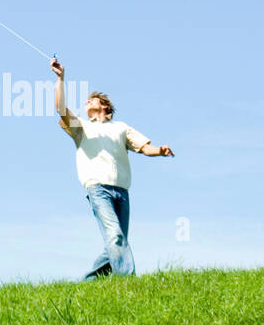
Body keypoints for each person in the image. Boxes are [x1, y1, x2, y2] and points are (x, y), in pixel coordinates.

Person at [51, 58, 173, 279]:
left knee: (116, 243)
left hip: (122, 190)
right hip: (97, 189)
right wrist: (60, 78)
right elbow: (60, 109)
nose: (87, 102)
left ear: (104, 106)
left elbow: (144, 148)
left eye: (92, 99)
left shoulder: (121, 127)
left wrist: (160, 151)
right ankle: (129, 282)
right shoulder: (82, 128)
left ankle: (89, 282)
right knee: (115, 236)